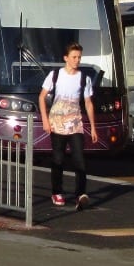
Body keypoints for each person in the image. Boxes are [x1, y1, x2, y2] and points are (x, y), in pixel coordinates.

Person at [38, 42, 99, 209]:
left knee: (79, 159)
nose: (77, 60)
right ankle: (57, 191)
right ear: (66, 58)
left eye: (79, 57)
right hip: (57, 124)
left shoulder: (84, 79)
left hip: (75, 125)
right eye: (74, 57)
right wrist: (45, 120)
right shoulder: (55, 75)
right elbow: (42, 97)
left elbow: (88, 103)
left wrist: (92, 127)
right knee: (58, 159)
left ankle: (80, 194)